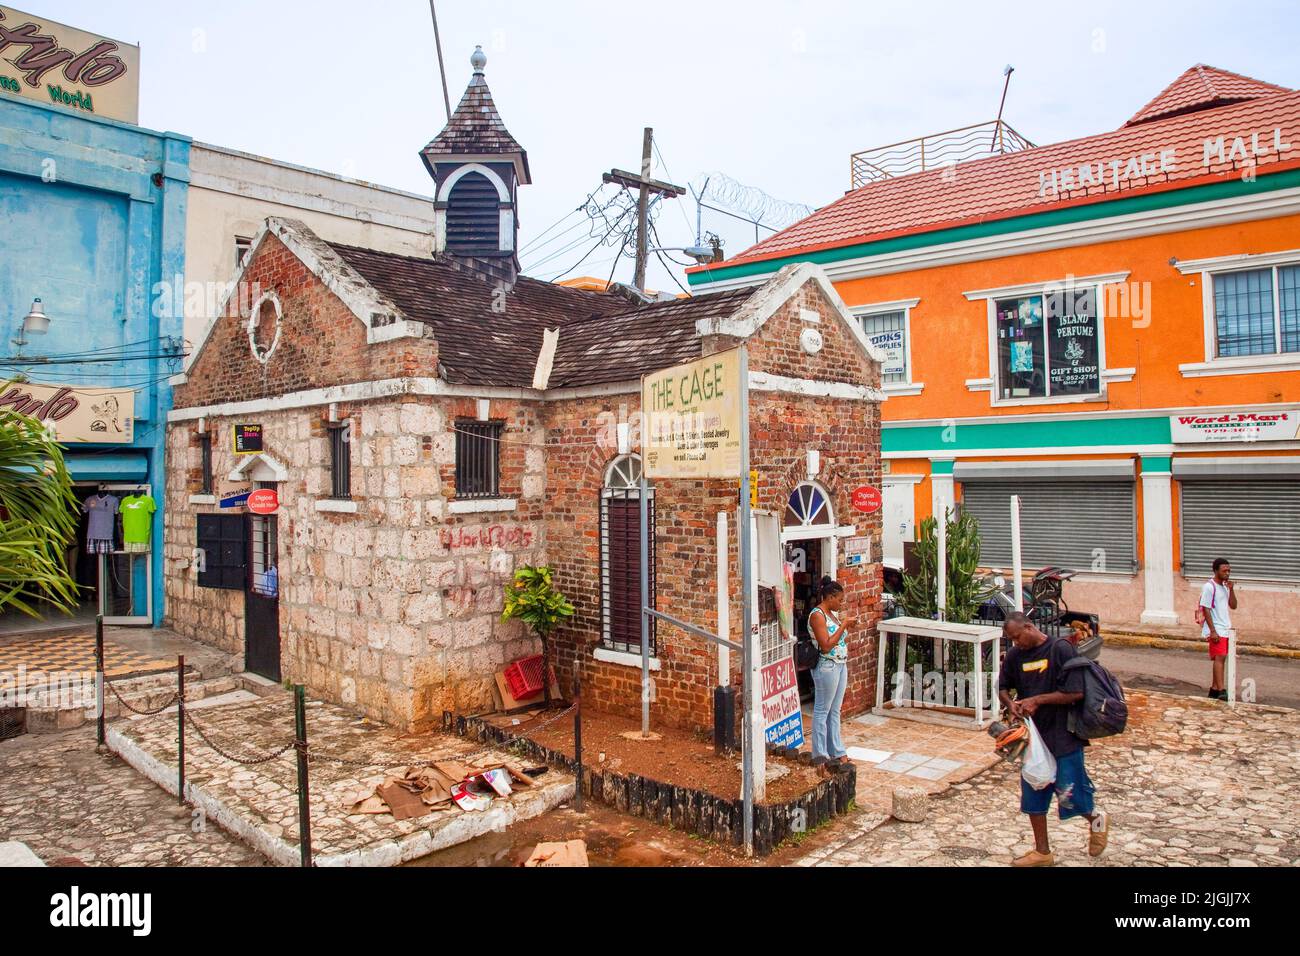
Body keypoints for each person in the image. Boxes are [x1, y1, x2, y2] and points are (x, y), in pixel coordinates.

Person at [998, 612, 1109, 867]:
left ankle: (1097, 819)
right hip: (1034, 737)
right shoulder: (1016, 656)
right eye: (1012, 640)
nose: (1016, 643)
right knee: (1033, 791)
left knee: (1070, 791)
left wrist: (1037, 700)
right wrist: (1011, 704)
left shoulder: (1060, 650)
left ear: (1028, 627)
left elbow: (1076, 692)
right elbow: (1003, 686)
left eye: (1017, 637)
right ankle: (1042, 852)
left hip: (1063, 733)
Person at [807, 576, 849, 766]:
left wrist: (844, 625)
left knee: (835, 711)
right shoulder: (818, 615)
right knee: (822, 710)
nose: (840, 604)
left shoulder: (832, 614)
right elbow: (825, 645)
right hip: (827, 665)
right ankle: (820, 754)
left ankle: (836, 750)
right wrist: (844, 626)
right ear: (830, 597)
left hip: (840, 664)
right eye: (839, 600)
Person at [1199, 558, 1238, 701]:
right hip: (1217, 628)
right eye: (1224, 571)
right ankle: (1222, 690)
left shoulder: (1225, 586)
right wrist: (1212, 630)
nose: (1227, 573)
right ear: (1216, 571)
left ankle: (1214, 689)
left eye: (1229, 570)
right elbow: (1206, 608)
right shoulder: (1209, 587)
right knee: (1220, 658)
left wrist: (1232, 589)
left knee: (1221, 658)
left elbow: (1233, 605)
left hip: (1226, 627)